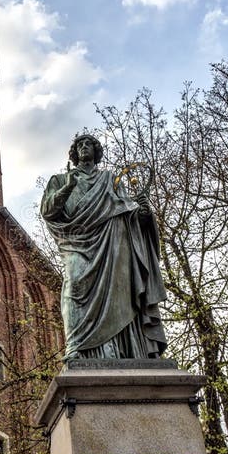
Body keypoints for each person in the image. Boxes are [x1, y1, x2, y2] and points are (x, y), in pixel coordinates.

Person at [41, 133, 166, 360]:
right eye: (80, 144)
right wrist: (68, 188)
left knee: (120, 294)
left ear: (96, 151)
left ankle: (120, 351)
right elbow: (48, 211)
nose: (84, 147)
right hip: (76, 242)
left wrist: (143, 215)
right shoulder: (59, 180)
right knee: (74, 284)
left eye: (89, 144)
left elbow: (128, 213)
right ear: (74, 152)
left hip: (113, 242)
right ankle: (75, 346)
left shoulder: (110, 180)